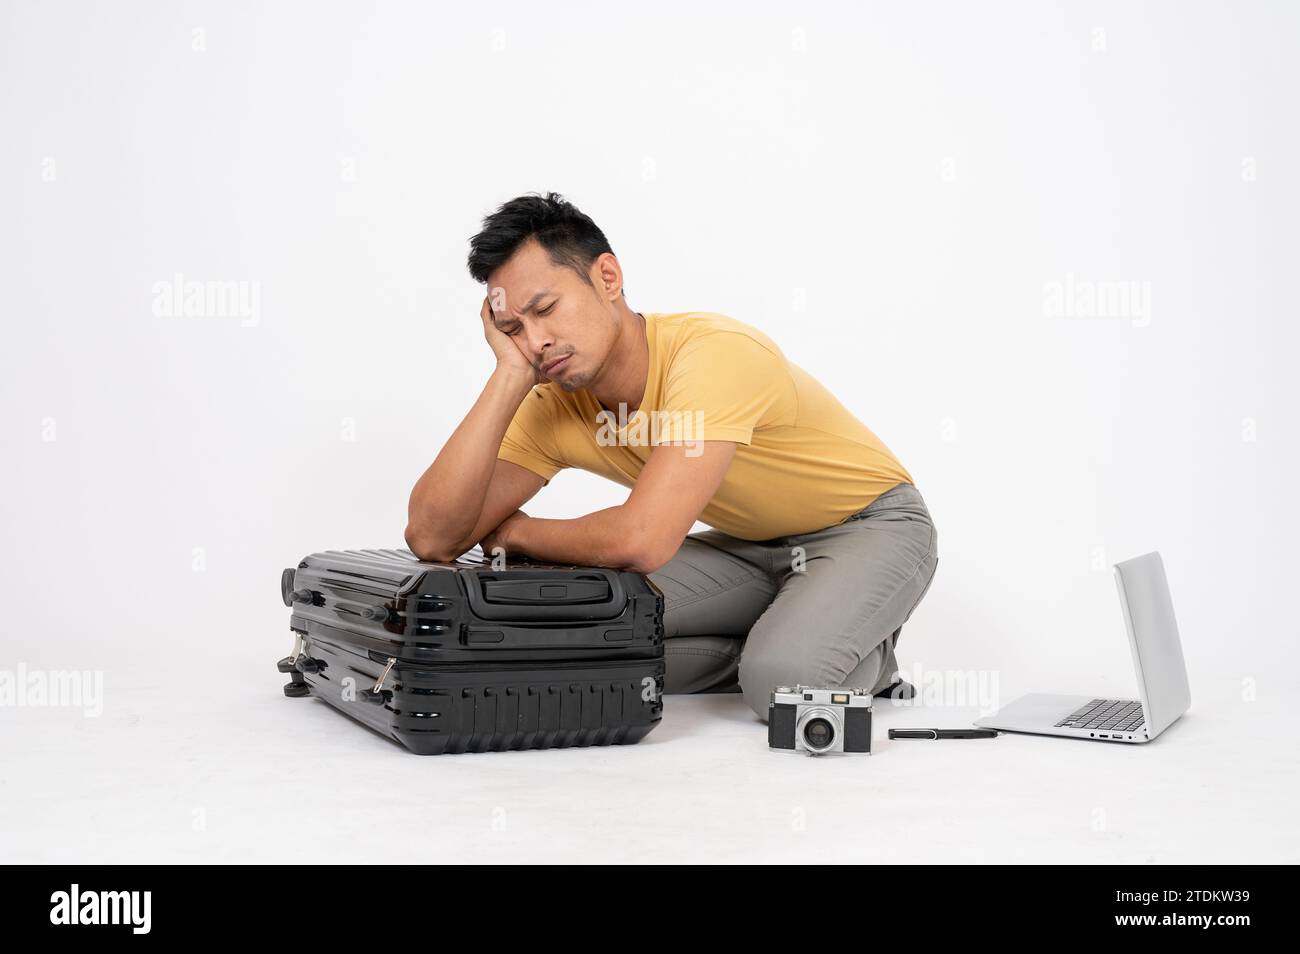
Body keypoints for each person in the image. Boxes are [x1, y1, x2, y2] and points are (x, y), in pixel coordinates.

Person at [405, 191, 938, 722]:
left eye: (545, 309)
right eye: (514, 329)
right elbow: (432, 537)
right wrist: (509, 375)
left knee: (782, 684)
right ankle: (787, 631)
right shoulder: (551, 399)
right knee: (580, 631)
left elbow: (643, 540)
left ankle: (859, 657)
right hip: (749, 547)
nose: (537, 340)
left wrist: (515, 532)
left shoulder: (711, 354)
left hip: (872, 525)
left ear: (607, 278)